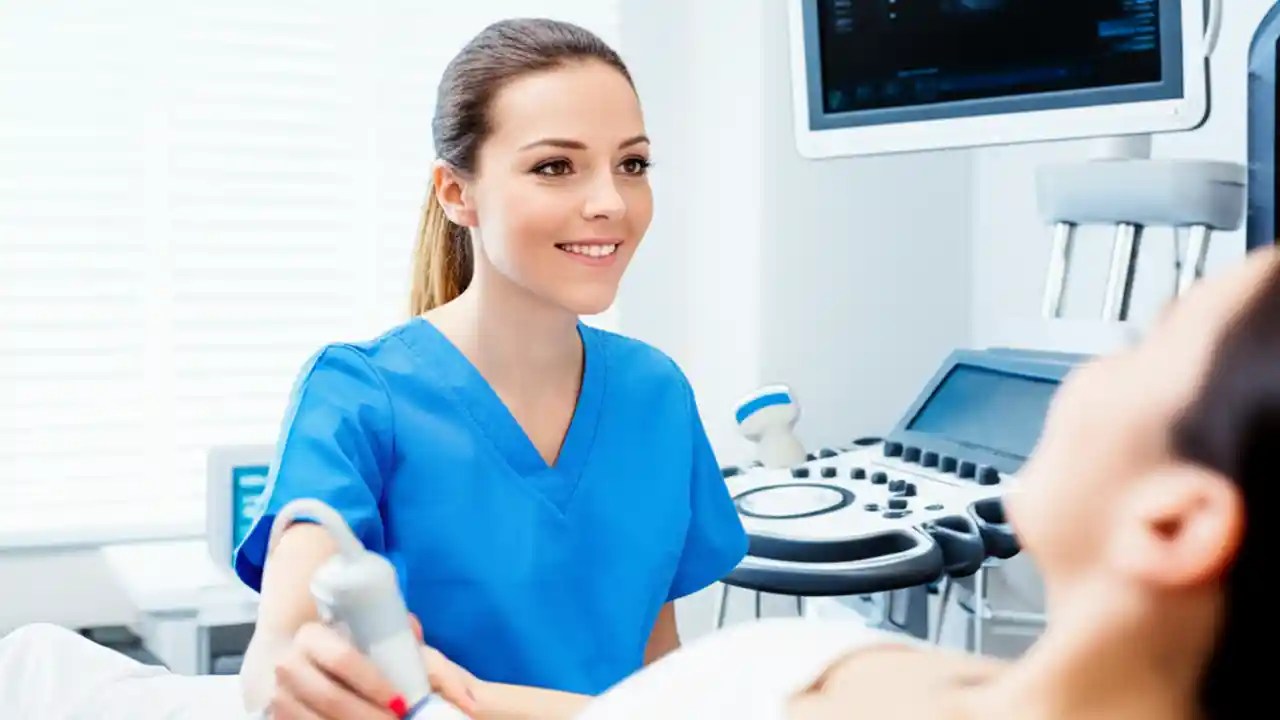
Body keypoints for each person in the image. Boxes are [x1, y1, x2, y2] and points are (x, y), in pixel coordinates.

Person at [233, 17, 748, 720]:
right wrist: (295, 675)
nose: (610, 203)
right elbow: (285, 652)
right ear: (456, 193)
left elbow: (659, 666)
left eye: (631, 164)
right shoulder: (358, 397)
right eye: (554, 167)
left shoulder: (654, 394)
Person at [559, 246, 1274, 719]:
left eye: (1145, 348)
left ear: (1175, 525)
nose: (1081, 372)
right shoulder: (805, 657)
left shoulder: (772, 665)